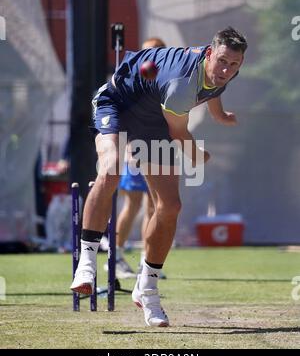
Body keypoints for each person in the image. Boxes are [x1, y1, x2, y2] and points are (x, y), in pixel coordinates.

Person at [71, 26, 247, 327]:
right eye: (222, 62)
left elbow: (213, 89)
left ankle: (147, 289)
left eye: (234, 65)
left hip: (154, 119)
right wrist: (197, 155)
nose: (226, 70)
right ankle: (86, 264)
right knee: (111, 168)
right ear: (209, 54)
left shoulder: (221, 70)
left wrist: (219, 115)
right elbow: (179, 132)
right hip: (118, 101)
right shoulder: (180, 85)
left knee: (170, 206)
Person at [113, 37, 167, 280]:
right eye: (147, 53)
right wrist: (130, 150)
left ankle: (148, 263)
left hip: (159, 152)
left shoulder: (166, 81)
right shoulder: (132, 81)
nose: (151, 58)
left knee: (154, 207)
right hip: (137, 153)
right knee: (133, 205)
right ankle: (115, 257)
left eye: (156, 52)